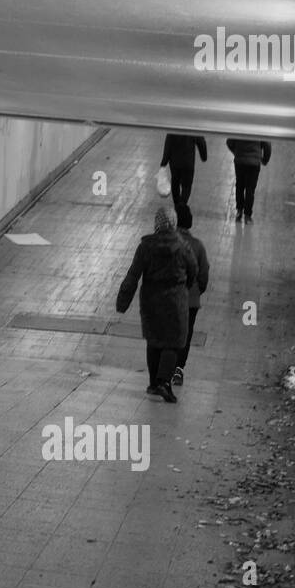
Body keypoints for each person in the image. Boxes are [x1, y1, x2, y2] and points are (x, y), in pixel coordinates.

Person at [115, 206, 197, 403]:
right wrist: (185, 284)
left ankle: (153, 383)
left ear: (157, 224)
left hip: (151, 300)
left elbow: (133, 275)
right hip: (175, 301)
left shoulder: (146, 246)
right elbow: (193, 269)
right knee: (174, 342)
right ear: (174, 223)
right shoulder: (183, 246)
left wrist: (123, 301)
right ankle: (164, 383)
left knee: (154, 340)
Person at [172, 204, 209, 387]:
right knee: (185, 333)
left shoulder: (168, 243)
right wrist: (196, 290)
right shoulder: (198, 246)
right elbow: (204, 275)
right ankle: (179, 369)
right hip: (191, 300)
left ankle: (165, 367)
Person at [225, 138, 271, 223]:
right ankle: (247, 216)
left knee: (239, 186)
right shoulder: (261, 127)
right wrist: (264, 160)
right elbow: (267, 145)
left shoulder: (241, 125)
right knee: (250, 189)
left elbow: (229, 141)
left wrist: (236, 152)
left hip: (240, 162)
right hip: (254, 164)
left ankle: (239, 211)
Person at [159, 133, 207, 207]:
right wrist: (204, 156)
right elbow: (201, 141)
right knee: (186, 186)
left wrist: (163, 163)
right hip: (188, 162)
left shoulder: (174, 127)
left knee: (175, 182)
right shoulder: (193, 126)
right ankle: (182, 205)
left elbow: (168, 145)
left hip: (174, 162)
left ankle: (176, 203)